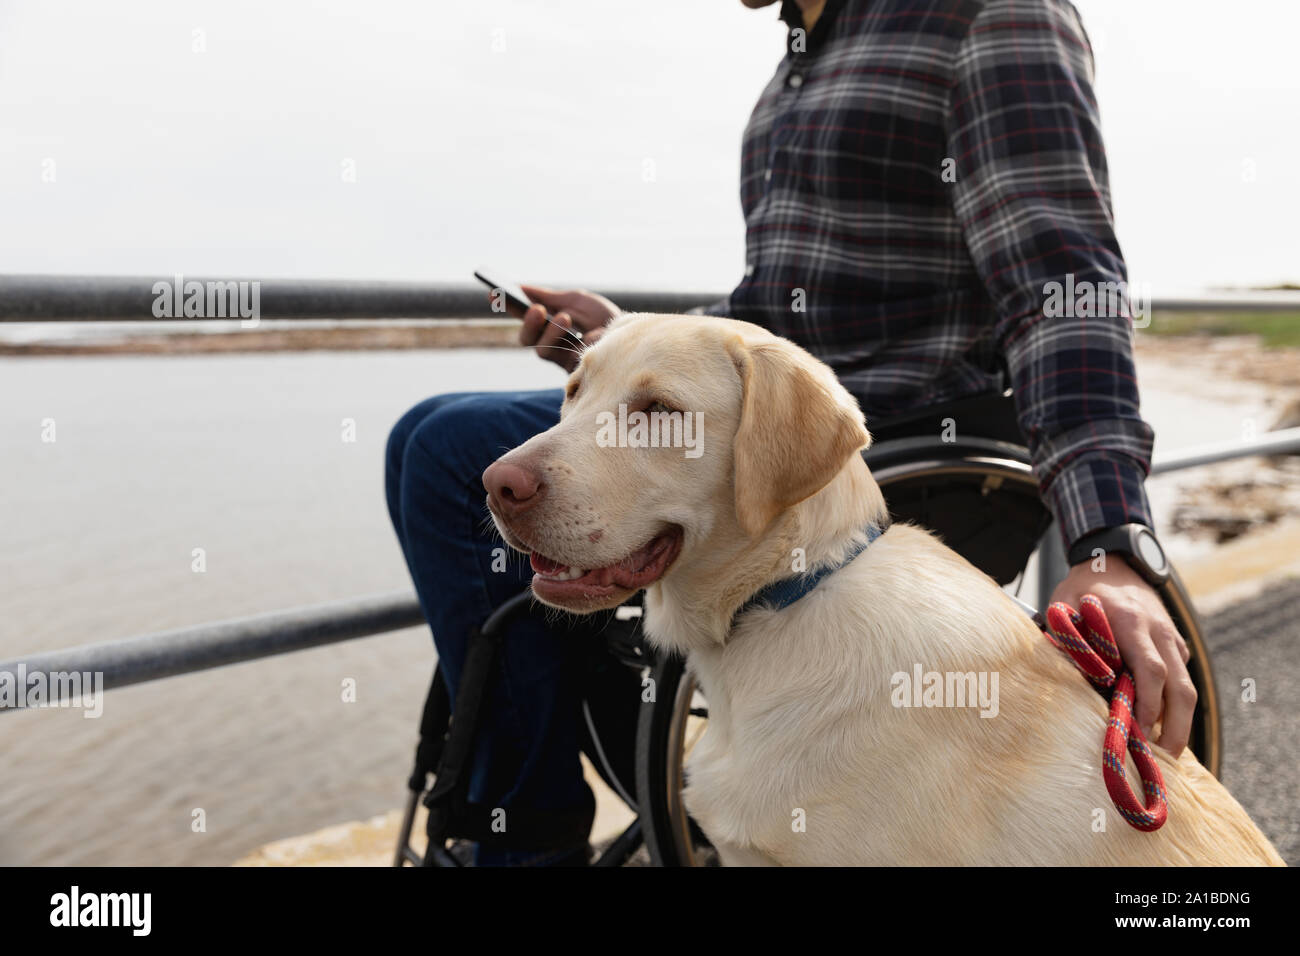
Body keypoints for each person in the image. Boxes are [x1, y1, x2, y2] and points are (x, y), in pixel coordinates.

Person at [385, 0, 1196, 866]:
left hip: (885, 444)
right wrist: (623, 337)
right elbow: (771, 321)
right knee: (426, 434)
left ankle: (527, 841)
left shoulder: (986, 15)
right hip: (755, 417)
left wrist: (1110, 541)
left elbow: (1063, 291)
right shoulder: (805, 52)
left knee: (448, 449)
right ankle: (617, 791)